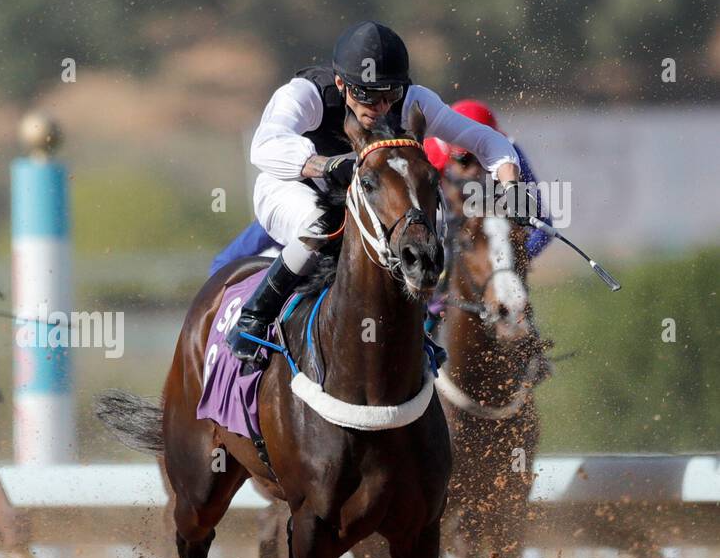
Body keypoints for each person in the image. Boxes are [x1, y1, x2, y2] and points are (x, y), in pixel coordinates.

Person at [224, 21, 526, 365]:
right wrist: (323, 166)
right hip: (290, 186)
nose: (381, 107)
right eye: (368, 96)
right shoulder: (306, 93)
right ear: (341, 83)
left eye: (390, 95)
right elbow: (263, 146)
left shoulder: (415, 100)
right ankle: (255, 317)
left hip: (363, 194)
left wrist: (510, 185)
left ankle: (417, 330)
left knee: (419, 228)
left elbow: (484, 139)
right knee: (322, 223)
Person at [423, 98, 552, 260]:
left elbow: (544, 225)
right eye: (465, 160)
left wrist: (514, 261)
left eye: (484, 157)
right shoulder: (431, 152)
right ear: (447, 148)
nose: (475, 169)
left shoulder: (509, 153)